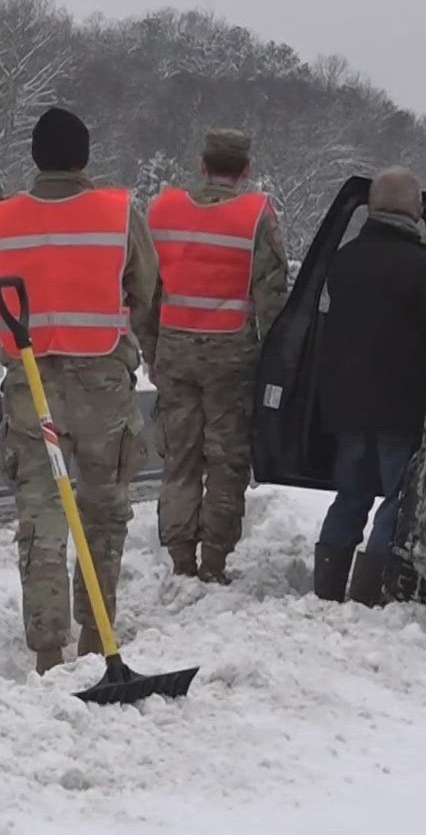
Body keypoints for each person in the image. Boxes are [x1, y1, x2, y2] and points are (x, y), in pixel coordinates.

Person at [0, 106, 160, 674]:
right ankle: (95, 634)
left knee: (40, 511)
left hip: (30, 380)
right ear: (84, 159)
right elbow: (146, 288)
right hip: (101, 379)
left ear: (35, 158)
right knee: (103, 506)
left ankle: (46, 646)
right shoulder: (116, 214)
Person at [312, 167, 426, 604]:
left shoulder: (343, 260)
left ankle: (326, 588)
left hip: (346, 405)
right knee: (396, 500)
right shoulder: (425, 269)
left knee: (350, 495)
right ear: (416, 211)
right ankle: (368, 593)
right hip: (400, 408)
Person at [149, 129, 290, 584]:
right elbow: (271, 300)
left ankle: (179, 555)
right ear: (245, 170)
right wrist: (275, 362)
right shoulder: (257, 216)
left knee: (180, 457)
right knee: (226, 459)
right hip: (232, 356)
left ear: (201, 163)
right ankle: (213, 559)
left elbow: (144, 291)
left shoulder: (162, 209)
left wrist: (152, 348)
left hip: (173, 348)